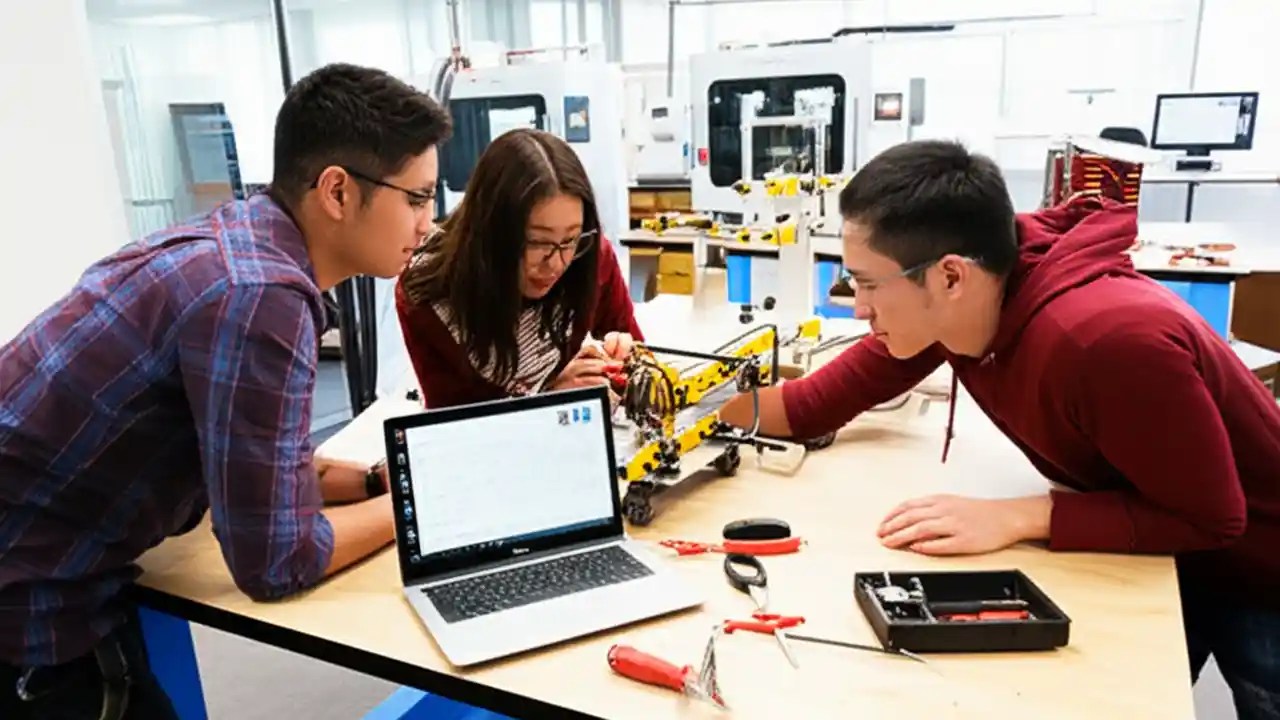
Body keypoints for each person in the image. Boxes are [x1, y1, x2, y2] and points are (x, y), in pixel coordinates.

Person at [718, 140, 1280, 718]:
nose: (857, 307)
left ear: (950, 276)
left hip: (1257, 569)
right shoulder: (966, 303)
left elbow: (1212, 517)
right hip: (1161, 548)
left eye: (866, 284)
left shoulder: (1102, 341)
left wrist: (1019, 516)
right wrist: (675, 402)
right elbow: (809, 405)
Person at [0, 63, 451, 719]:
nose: (428, 223)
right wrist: (423, 508)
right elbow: (279, 559)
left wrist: (381, 485)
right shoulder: (260, 297)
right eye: (416, 198)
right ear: (337, 192)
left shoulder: (237, 244)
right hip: (30, 607)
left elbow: (256, 458)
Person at [395, 127, 642, 409]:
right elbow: (453, 424)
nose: (557, 263)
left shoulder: (589, 255)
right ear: (489, 232)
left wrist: (623, 359)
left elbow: (635, 349)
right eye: (537, 242)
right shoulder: (427, 295)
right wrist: (547, 397)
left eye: (570, 239)